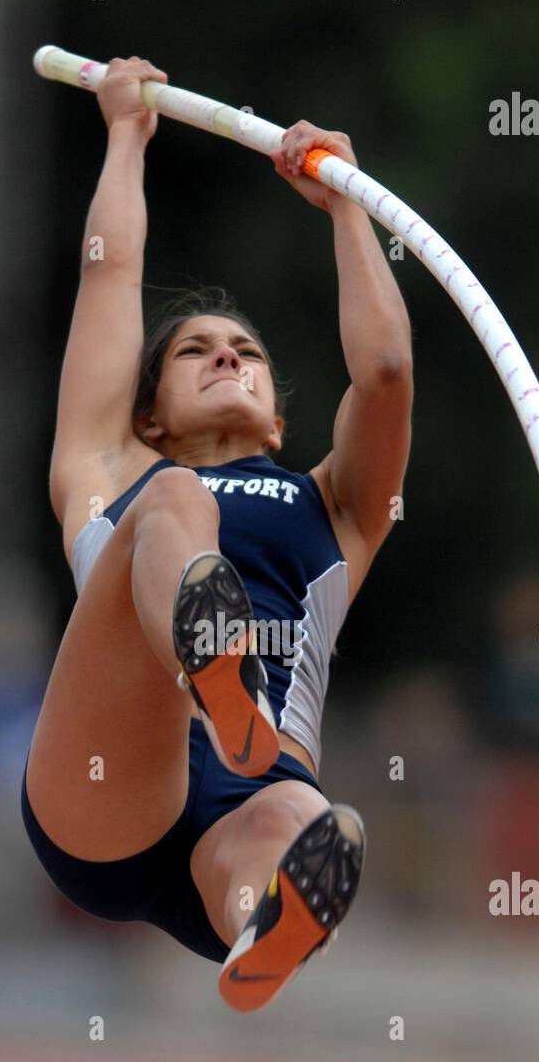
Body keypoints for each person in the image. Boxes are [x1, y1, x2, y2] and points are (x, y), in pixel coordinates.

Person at [21, 57, 413, 1012]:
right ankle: (207, 662)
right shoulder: (111, 472)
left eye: (246, 352)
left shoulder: (338, 508)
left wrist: (349, 207)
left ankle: (255, 926)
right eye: (194, 350)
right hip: (110, 783)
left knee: (299, 817)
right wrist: (126, 135)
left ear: (280, 420)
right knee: (173, 508)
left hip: (245, 797)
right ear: (146, 413)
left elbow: (389, 371)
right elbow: (109, 282)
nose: (225, 354)